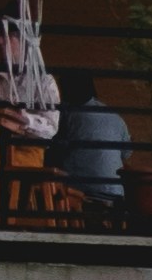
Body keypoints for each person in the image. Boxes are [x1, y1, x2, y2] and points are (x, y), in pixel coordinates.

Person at [48, 77, 130, 213]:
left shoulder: (67, 113)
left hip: (82, 192)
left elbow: (52, 146)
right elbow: (125, 155)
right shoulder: (115, 116)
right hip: (116, 194)